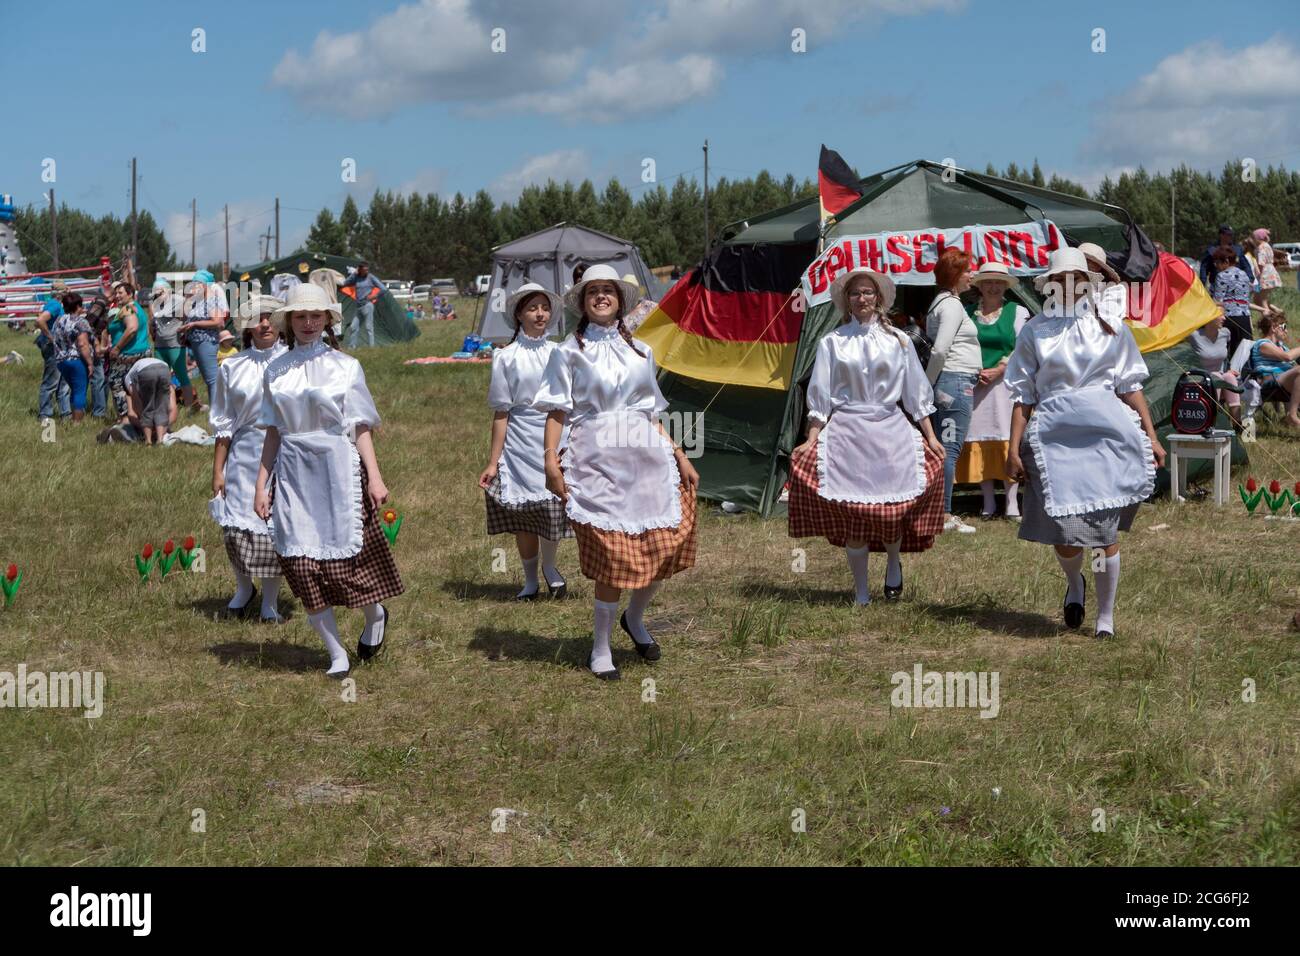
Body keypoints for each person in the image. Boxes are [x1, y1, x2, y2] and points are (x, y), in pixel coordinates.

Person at [536, 264, 699, 680]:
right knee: (612, 555)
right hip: (595, 458)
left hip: (645, 456)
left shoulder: (641, 351)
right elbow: (558, 410)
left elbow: (651, 413)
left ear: (621, 300)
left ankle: (637, 619)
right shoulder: (567, 352)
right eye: (594, 291)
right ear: (584, 301)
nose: (602, 296)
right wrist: (550, 460)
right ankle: (601, 646)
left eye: (609, 290)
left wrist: (680, 455)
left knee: (659, 546)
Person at [1004, 248, 1166, 640]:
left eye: (1075, 279)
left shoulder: (1110, 327)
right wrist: (1011, 450)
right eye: (1060, 279)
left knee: (1104, 533)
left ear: (1087, 283)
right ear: (1050, 285)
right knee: (1065, 534)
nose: (1068, 285)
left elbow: (1129, 385)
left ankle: (1105, 618)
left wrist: (1152, 435)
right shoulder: (1035, 331)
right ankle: (1076, 584)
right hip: (1054, 436)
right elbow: (1023, 395)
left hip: (1105, 434)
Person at [253, 283, 402, 678]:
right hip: (294, 475)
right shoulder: (275, 370)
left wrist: (375, 477)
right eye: (300, 316)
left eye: (314, 316)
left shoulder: (345, 366)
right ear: (288, 321)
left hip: (338, 469)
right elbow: (272, 431)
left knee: (347, 564)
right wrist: (260, 484)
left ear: (327, 320)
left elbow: (360, 427)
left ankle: (375, 615)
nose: (307, 322)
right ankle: (336, 651)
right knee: (301, 565)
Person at [788, 267, 946, 605]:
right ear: (847, 300)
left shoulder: (899, 340)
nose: (862, 299)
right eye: (856, 293)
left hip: (890, 428)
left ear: (879, 299)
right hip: (847, 431)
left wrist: (930, 436)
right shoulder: (832, 341)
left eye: (868, 293)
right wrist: (812, 437)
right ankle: (861, 592)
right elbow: (821, 395)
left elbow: (916, 392)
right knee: (854, 514)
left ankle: (892, 560)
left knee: (892, 511)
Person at [478, 282, 572, 600]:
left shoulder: (559, 352)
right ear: (519, 314)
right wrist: (493, 461)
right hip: (519, 442)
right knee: (525, 517)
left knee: (550, 510)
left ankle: (551, 566)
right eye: (532, 308)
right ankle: (530, 580)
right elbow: (501, 412)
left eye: (544, 307)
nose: (540, 313)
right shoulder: (505, 357)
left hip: (555, 435)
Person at [210, 295, 289, 622]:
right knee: (237, 530)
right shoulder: (232, 366)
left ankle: (270, 602)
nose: (265, 323)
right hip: (243, 454)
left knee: (275, 529)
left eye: (270, 317)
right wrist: (218, 470)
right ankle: (244, 589)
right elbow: (223, 422)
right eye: (258, 317)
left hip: (285, 453)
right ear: (247, 326)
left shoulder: (293, 361)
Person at [954, 261, 1030, 519]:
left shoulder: (1018, 313)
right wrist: (973, 370)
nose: (993, 286)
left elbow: (1024, 349)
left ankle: (1011, 503)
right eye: (988, 282)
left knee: (1006, 439)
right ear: (980, 286)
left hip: (1005, 386)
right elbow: (959, 345)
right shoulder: (966, 313)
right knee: (979, 438)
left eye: (998, 282)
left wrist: (1001, 368)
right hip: (975, 384)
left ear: (1006, 285)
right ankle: (988, 501)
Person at [924, 248, 981, 534]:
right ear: (956, 275)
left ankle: (939, 511)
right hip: (952, 383)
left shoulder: (943, 303)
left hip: (951, 381)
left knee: (943, 449)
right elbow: (940, 350)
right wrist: (926, 384)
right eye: (968, 270)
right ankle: (943, 515)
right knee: (949, 449)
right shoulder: (952, 306)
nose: (972, 275)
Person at [148, 278, 198, 413]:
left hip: (175, 344)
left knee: (181, 375)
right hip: (159, 345)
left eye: (160, 292)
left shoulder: (178, 300)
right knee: (161, 377)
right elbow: (152, 321)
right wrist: (153, 334)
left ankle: (190, 407)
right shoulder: (154, 303)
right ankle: (164, 406)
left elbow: (187, 316)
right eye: (155, 293)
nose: (157, 295)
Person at [106, 280, 153, 423]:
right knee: (133, 386)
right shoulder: (139, 308)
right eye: (116, 293)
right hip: (141, 351)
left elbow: (132, 328)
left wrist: (117, 347)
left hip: (127, 354)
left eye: (121, 293)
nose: (117, 296)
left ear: (130, 294)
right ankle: (138, 415)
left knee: (117, 383)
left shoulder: (128, 309)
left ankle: (126, 418)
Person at [181, 270, 228, 408]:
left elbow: (218, 322)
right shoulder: (197, 301)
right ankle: (217, 409)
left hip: (206, 341)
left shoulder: (211, 300)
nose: (195, 286)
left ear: (206, 285)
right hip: (197, 342)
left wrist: (194, 324)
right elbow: (182, 317)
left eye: (199, 283)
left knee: (212, 379)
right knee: (209, 379)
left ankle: (217, 412)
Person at [1210, 247, 1266, 357]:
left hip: (1228, 318)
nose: (1216, 266)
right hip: (1244, 317)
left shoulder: (1222, 275)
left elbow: (1218, 301)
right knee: (1245, 352)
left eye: (1217, 262)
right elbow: (1245, 300)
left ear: (1226, 261)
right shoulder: (1244, 275)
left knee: (1230, 352)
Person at [1188, 312, 1242, 426]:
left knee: (1229, 377)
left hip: (1220, 375)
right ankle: (1212, 420)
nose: (1224, 318)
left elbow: (1227, 356)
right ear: (1209, 316)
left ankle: (1237, 423)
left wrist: (1230, 369)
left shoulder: (1225, 333)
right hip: (1199, 377)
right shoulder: (1194, 335)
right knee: (1216, 376)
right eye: (1220, 315)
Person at [49, 292, 95, 423]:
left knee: (74, 389)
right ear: (78, 306)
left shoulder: (59, 320)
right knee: (80, 391)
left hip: (61, 361)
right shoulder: (81, 322)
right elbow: (82, 343)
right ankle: (77, 423)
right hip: (77, 360)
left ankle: (71, 418)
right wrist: (90, 363)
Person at [1249, 313, 1300, 427]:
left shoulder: (1282, 347)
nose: (1286, 331)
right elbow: (1287, 357)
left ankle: (1289, 417)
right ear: (1273, 327)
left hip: (1284, 379)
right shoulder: (1263, 344)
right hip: (1270, 380)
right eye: (1284, 327)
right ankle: (1292, 415)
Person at [33, 287, 71, 421]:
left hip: (58, 348)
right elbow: (39, 321)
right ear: (62, 294)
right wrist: (51, 337)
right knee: (51, 381)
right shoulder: (55, 305)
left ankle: (65, 414)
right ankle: (45, 414)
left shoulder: (53, 304)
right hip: (53, 347)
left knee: (62, 381)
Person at [123, 354, 174, 445]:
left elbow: (138, 405)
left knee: (147, 408)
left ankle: (148, 441)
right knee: (161, 407)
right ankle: (160, 440)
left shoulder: (128, 380)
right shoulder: (135, 371)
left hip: (146, 371)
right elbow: (170, 407)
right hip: (165, 369)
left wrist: (146, 424)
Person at [338, 262, 385, 348]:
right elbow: (345, 283)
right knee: (353, 327)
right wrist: (353, 274)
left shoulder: (371, 277)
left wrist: (374, 296)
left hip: (367, 305)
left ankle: (371, 348)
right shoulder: (356, 277)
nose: (366, 271)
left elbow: (383, 289)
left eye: (367, 269)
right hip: (358, 306)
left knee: (368, 327)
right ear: (360, 269)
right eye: (364, 270)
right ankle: (352, 347)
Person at [1199, 225, 1254, 289]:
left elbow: (1245, 266)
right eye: (1228, 235)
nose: (1231, 237)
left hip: (1235, 285)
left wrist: (1250, 279)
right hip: (1217, 285)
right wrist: (1202, 282)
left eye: (1231, 234)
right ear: (1221, 235)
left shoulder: (1238, 249)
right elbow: (1204, 267)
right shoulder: (1211, 250)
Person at [84, 295, 110, 419]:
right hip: (96, 347)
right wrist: (95, 343)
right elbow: (88, 324)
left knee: (103, 379)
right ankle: (99, 412)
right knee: (99, 379)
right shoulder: (101, 302)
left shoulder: (105, 303)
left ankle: (100, 409)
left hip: (103, 348)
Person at [1252, 228, 1283, 316]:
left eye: (1254, 237)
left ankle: (1268, 319)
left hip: (1264, 275)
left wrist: (1257, 276)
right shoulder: (1267, 245)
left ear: (1258, 238)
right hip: (1270, 272)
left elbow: (1261, 263)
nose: (1253, 240)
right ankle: (1275, 310)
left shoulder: (1261, 247)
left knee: (1262, 300)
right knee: (1257, 299)